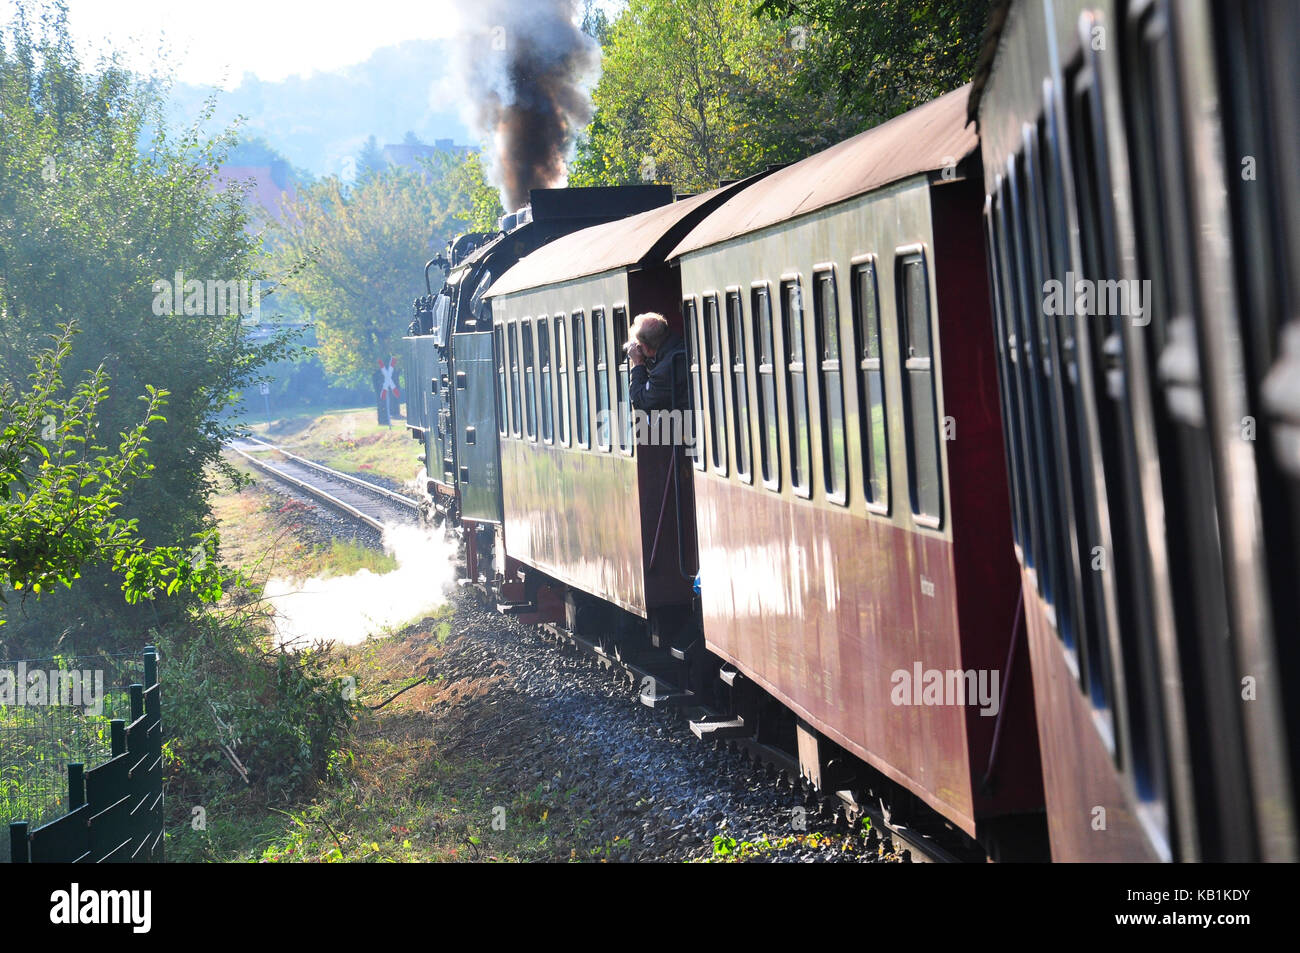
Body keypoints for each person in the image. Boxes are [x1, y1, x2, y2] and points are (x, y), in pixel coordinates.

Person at [627, 312, 688, 412]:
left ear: (645, 347)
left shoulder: (663, 372)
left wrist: (638, 364)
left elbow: (641, 402)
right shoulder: (679, 345)